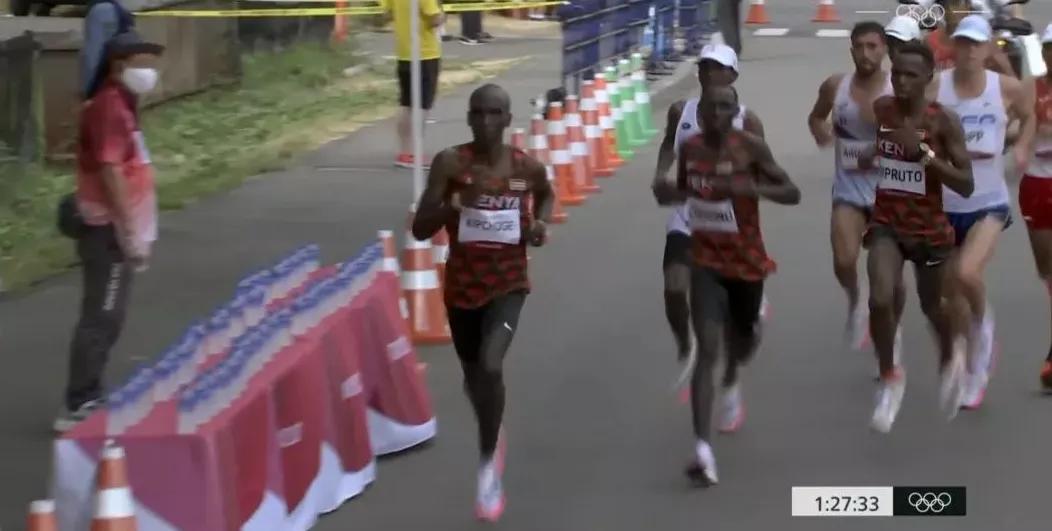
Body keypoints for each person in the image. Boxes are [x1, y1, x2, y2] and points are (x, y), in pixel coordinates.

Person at [411, 84, 554, 521]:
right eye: (478, 114)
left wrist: (541, 226)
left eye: (495, 114)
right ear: (469, 118)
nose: (487, 122)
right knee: (476, 381)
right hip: (462, 289)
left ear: (508, 119)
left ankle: (488, 461)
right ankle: (492, 422)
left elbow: (545, 194)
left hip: (509, 284)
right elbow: (419, 227)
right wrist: (455, 203)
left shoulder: (523, 168)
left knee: (492, 366)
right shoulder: (451, 163)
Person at [654, 84, 801, 485]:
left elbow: (792, 192)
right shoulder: (692, 149)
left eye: (725, 107)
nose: (717, 114)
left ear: (735, 112)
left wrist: (754, 188)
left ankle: (734, 377)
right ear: (700, 115)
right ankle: (702, 449)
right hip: (706, 261)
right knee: (708, 348)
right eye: (710, 108)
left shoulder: (751, 148)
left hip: (747, 263)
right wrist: (669, 192)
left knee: (744, 339)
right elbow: (686, 191)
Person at [859, 41, 974, 433]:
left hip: (928, 229)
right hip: (887, 223)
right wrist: (870, 153)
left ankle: (951, 352)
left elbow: (966, 184)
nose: (902, 82)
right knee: (879, 297)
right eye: (897, 74)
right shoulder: (883, 110)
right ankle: (891, 376)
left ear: (928, 79)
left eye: (911, 75)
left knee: (933, 308)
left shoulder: (944, 121)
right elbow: (884, 145)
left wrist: (923, 155)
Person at [651, 43, 766, 433]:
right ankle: (686, 345)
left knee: (737, 327)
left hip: (731, 230)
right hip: (688, 220)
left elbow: (764, 174)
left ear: (732, 77)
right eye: (704, 67)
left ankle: (731, 380)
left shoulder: (747, 121)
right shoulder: (680, 112)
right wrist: (661, 173)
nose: (709, 73)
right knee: (672, 287)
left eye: (718, 68)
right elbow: (669, 145)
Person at [55, 30, 164, 432]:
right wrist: (130, 230)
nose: (150, 70)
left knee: (109, 316)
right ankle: (80, 400)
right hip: (107, 229)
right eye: (142, 62)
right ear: (119, 65)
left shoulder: (123, 103)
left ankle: (91, 391)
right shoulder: (109, 108)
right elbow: (110, 170)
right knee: (102, 315)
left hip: (114, 227)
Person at [931, 14, 1034, 409]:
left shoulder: (1004, 87)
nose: (970, 51)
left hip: (988, 202)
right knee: (950, 294)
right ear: (953, 47)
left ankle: (984, 331)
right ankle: (968, 359)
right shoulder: (937, 88)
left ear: (988, 48)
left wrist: (1021, 143)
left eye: (977, 44)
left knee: (966, 273)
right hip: (945, 204)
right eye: (963, 43)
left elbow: (1030, 116)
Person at [808, 21, 907, 352]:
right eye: (859, 47)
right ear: (851, 50)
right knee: (844, 260)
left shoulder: (899, 89)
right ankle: (855, 299)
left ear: (885, 50)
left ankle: (892, 331)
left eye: (873, 46)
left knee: (891, 280)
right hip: (849, 189)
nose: (866, 53)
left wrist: (884, 148)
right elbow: (815, 117)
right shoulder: (836, 86)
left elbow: (920, 135)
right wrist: (821, 133)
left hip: (890, 192)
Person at [1021, 25, 1052, 392]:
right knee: (1048, 273)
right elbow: (1016, 126)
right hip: (1037, 185)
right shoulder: (1031, 87)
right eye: (1049, 49)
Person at [380, 0, 445, 168]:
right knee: (422, 105)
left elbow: (386, 13)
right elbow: (434, 18)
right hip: (425, 53)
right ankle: (415, 153)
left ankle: (405, 152)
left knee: (406, 103)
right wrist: (442, 14)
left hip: (404, 52)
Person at [926, 0, 1014, 75]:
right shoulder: (929, 41)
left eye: (956, 4)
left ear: (968, 6)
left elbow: (1009, 80)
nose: (951, 11)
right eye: (945, 6)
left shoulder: (986, 41)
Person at [80, 0, 134, 101]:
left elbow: (92, 56)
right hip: (121, 87)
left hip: (103, 88)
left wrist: (87, 93)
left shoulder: (100, 11)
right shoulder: (121, 11)